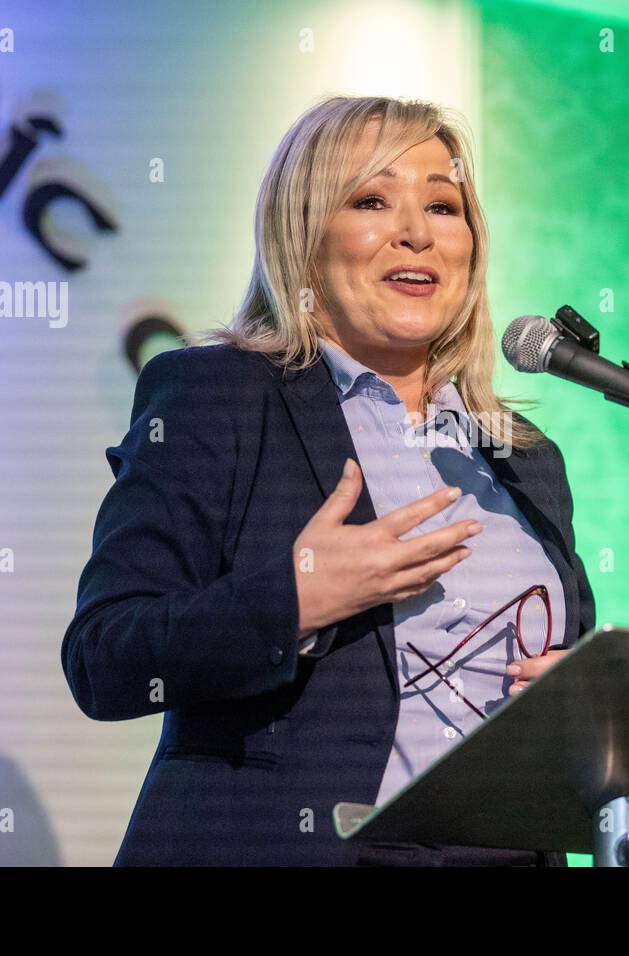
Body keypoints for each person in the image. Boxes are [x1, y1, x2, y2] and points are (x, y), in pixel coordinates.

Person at [61, 94, 596, 866]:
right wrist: (296, 599)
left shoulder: (526, 454)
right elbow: (105, 657)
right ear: (304, 238)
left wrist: (579, 705)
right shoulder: (218, 395)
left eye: (444, 207)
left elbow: (563, 685)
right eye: (372, 200)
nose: (417, 231)